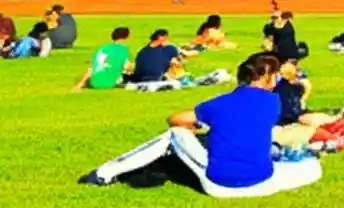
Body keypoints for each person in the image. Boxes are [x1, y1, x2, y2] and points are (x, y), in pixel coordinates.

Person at [79, 52, 322, 197]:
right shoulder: (273, 103)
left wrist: (199, 127)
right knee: (312, 166)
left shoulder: (219, 104)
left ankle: (102, 174)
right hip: (262, 180)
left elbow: (176, 119)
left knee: (175, 133)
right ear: (269, 78)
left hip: (220, 183)